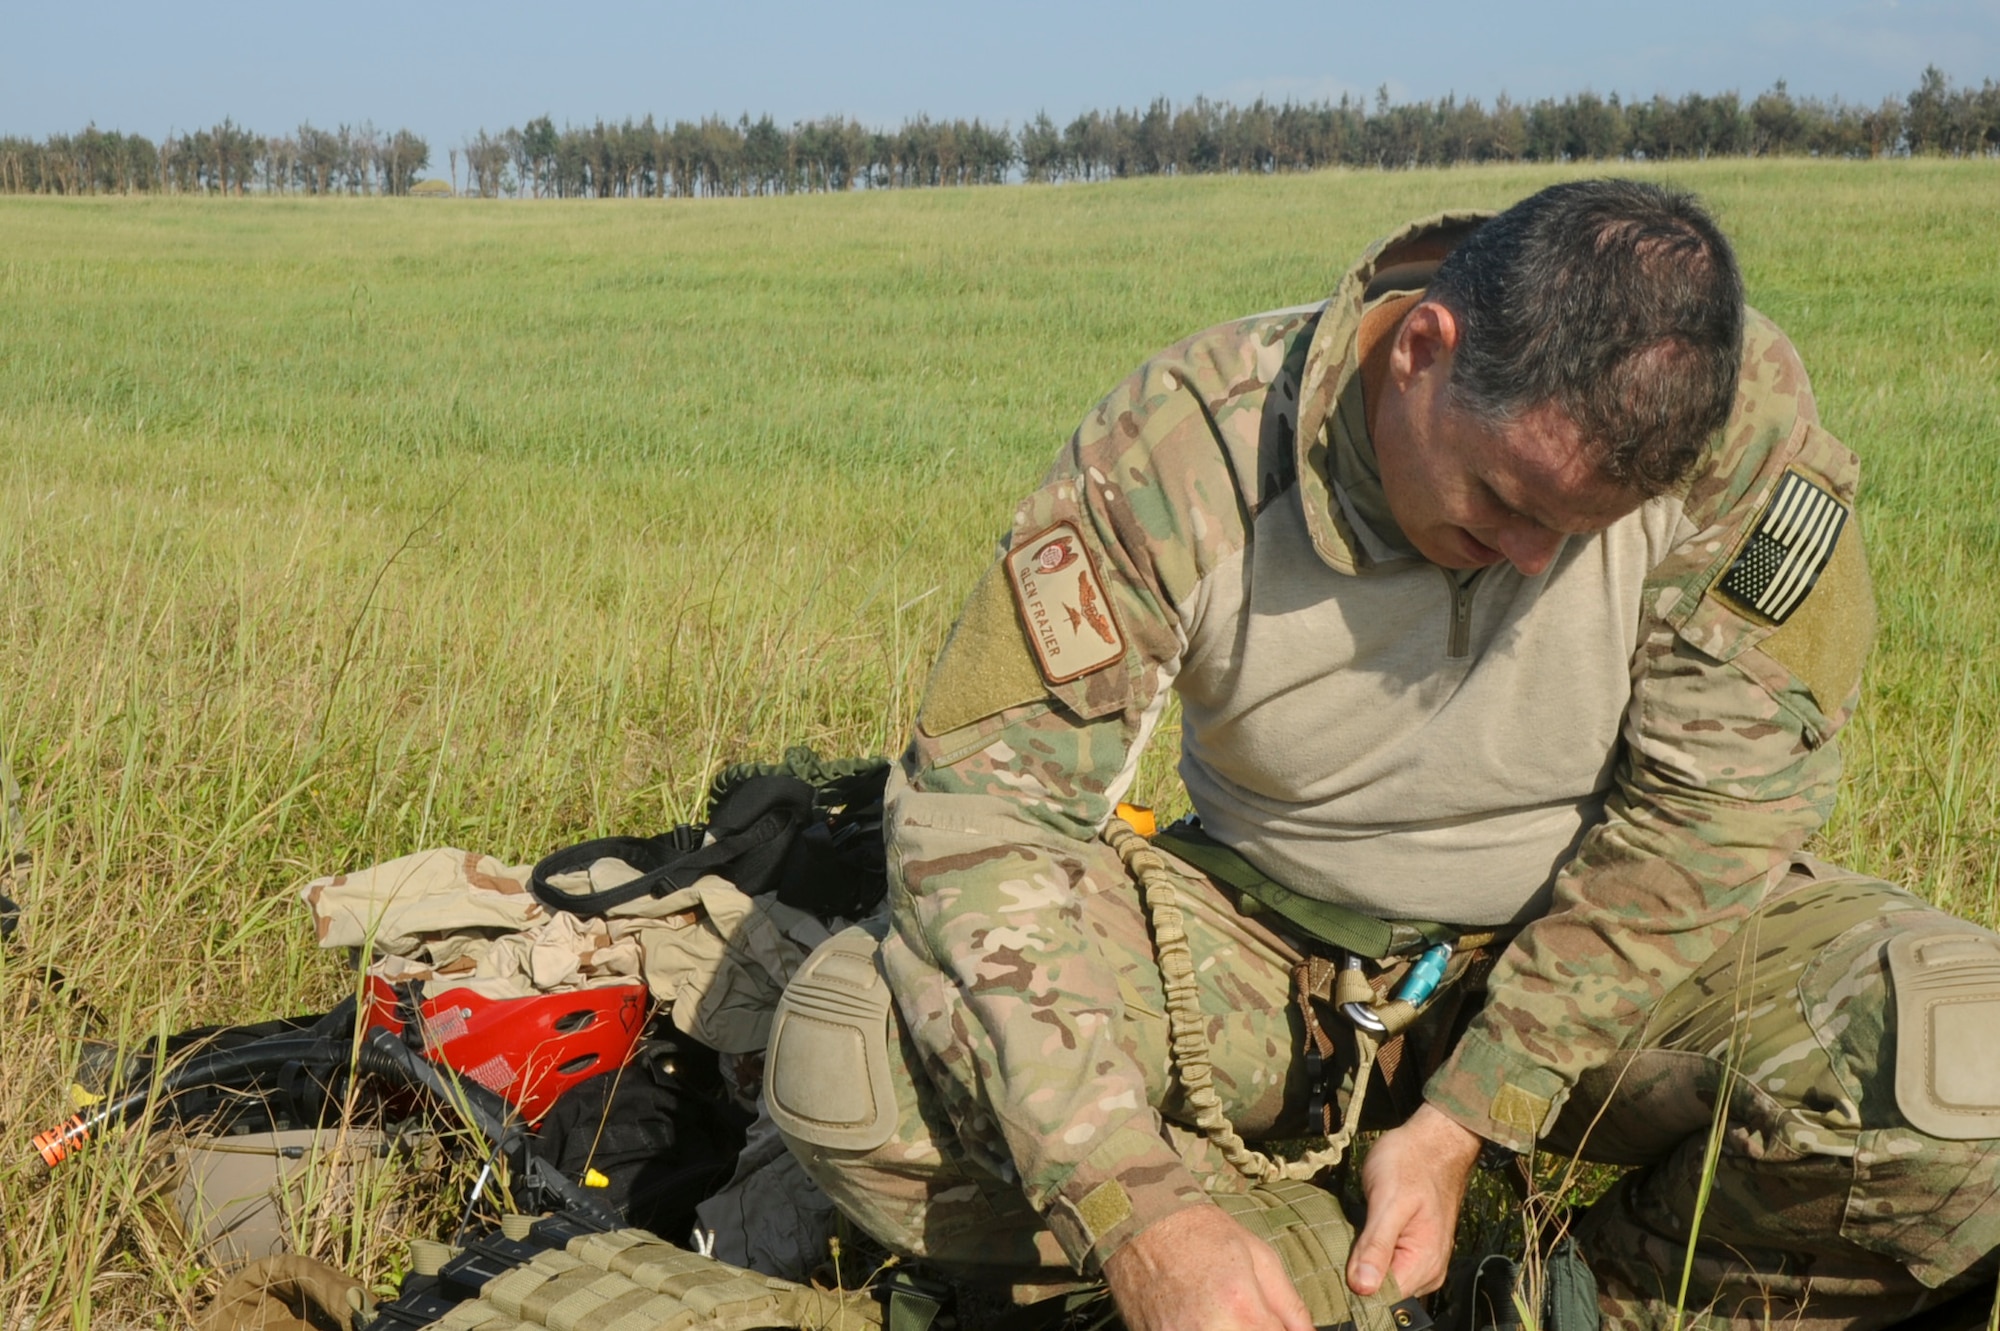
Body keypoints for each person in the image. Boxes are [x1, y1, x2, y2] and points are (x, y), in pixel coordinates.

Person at [763, 180, 2000, 1331]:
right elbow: (982, 826)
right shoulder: (1180, 451)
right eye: (1502, 501)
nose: (1530, 558)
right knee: (850, 1051)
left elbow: (1715, 812)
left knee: (1967, 1056)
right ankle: (1276, 1260)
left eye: (1579, 534)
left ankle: (1564, 1298)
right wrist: (1134, 1206)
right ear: (1421, 352)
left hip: (1603, 947)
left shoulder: (1729, 425)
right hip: (1264, 959)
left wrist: (1476, 1105)